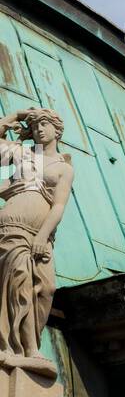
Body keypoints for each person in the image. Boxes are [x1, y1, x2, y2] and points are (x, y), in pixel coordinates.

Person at [0, 107, 73, 373]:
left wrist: (42, 236)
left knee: (45, 289)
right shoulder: (23, 154)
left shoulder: (64, 168)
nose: (39, 129)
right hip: (12, 227)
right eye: (36, 125)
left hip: (40, 235)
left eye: (44, 124)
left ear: (56, 129)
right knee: (19, 282)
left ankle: (27, 344)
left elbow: (58, 206)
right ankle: (25, 348)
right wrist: (16, 116)